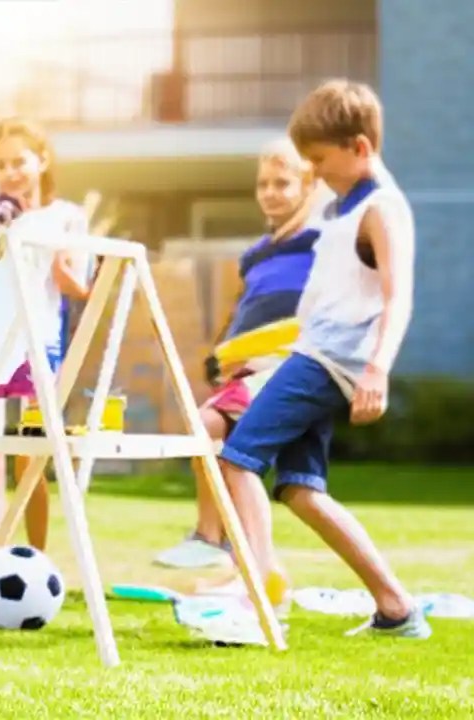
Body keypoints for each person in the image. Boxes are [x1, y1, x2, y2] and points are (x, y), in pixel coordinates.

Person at [204, 79, 430, 641]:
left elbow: (397, 296)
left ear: (359, 147)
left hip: (331, 362)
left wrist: (376, 369)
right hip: (311, 354)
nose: (314, 173)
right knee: (301, 490)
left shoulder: (381, 210)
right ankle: (397, 609)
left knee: (237, 460)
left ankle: (257, 603)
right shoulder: (339, 201)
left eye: (320, 161)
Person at [154, 137, 321, 571]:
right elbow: (247, 309)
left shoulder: (320, 243)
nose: (269, 192)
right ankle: (231, 546)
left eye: (282, 183)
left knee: (207, 427)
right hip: (245, 368)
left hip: (285, 364)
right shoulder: (256, 254)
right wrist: (224, 350)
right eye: (263, 183)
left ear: (308, 186)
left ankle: (213, 538)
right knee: (227, 450)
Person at [0, 117, 92, 568]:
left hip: (39, 344)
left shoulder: (67, 215)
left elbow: (76, 285)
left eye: (20, 161)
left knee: (31, 459)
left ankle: (36, 561)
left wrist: (52, 248)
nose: (11, 171)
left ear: (42, 161)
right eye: (1, 164)